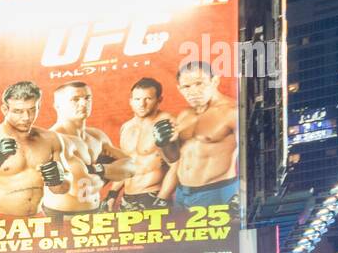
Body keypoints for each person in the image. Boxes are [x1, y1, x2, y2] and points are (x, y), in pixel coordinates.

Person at [43, 81, 137, 222]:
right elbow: (77, 187)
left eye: (87, 98)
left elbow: (132, 167)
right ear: (58, 105)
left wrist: (96, 168)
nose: (83, 103)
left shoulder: (97, 136)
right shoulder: (53, 140)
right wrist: (112, 170)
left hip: (95, 211)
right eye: (75, 99)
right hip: (62, 217)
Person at [153, 60, 239, 210]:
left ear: (215, 81)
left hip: (217, 192)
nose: (193, 91)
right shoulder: (184, 115)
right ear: (179, 89)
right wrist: (164, 143)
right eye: (186, 87)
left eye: (199, 83)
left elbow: (252, 158)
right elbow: (174, 159)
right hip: (182, 194)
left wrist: (240, 195)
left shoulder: (233, 112)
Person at [0, 81, 71, 218]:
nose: (26, 117)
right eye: (18, 111)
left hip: (36, 218)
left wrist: (57, 181)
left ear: (39, 106)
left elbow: (62, 189)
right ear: (5, 110)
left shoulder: (51, 139)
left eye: (31, 110)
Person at [110, 77, 176, 210]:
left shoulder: (167, 124)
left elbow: (176, 166)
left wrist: (162, 200)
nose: (142, 104)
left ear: (159, 100)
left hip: (153, 195)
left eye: (148, 99)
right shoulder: (126, 127)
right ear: (130, 101)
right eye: (137, 99)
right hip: (127, 198)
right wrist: (112, 194)